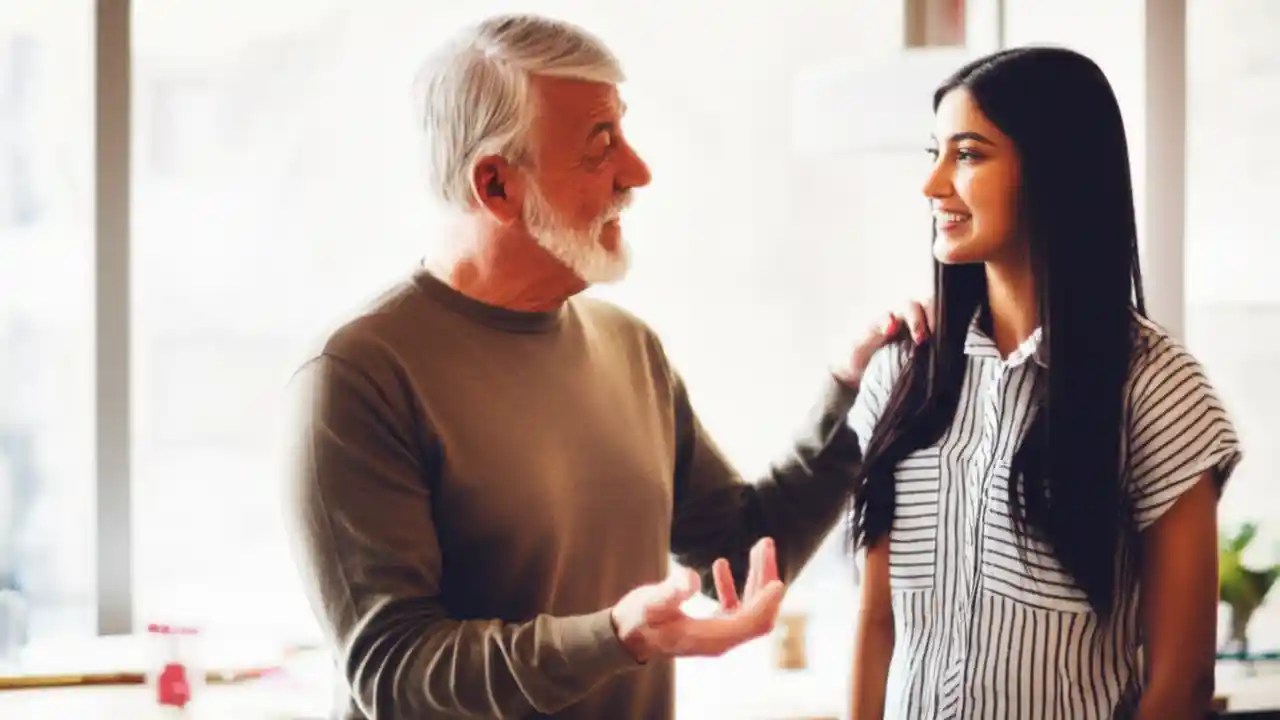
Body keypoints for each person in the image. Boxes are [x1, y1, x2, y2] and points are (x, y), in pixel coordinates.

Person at [286, 14, 928, 720]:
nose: (638, 171)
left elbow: (739, 555)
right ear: (496, 186)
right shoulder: (358, 375)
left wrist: (850, 395)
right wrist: (615, 637)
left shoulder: (631, 346)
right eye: (601, 147)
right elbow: (396, 672)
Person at [845, 47, 1242, 720]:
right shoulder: (903, 373)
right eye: (934, 152)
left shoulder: (1157, 388)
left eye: (968, 154)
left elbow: (1182, 681)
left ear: (1057, 173)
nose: (933, 184)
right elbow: (876, 623)